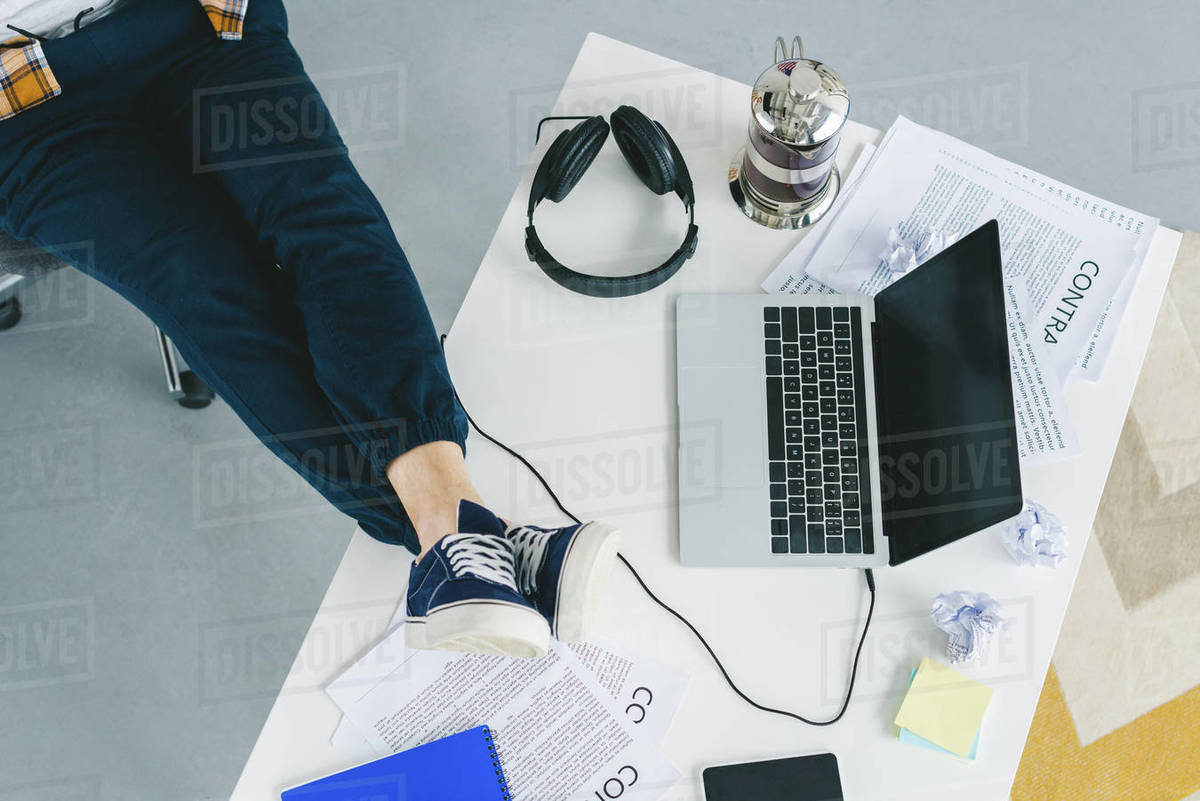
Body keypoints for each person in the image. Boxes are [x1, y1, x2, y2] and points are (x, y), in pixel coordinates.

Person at [0, 0, 620, 659]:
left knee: (327, 219)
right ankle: (470, 535)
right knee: (203, 288)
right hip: (21, 100)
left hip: (195, 22)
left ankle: (453, 542)